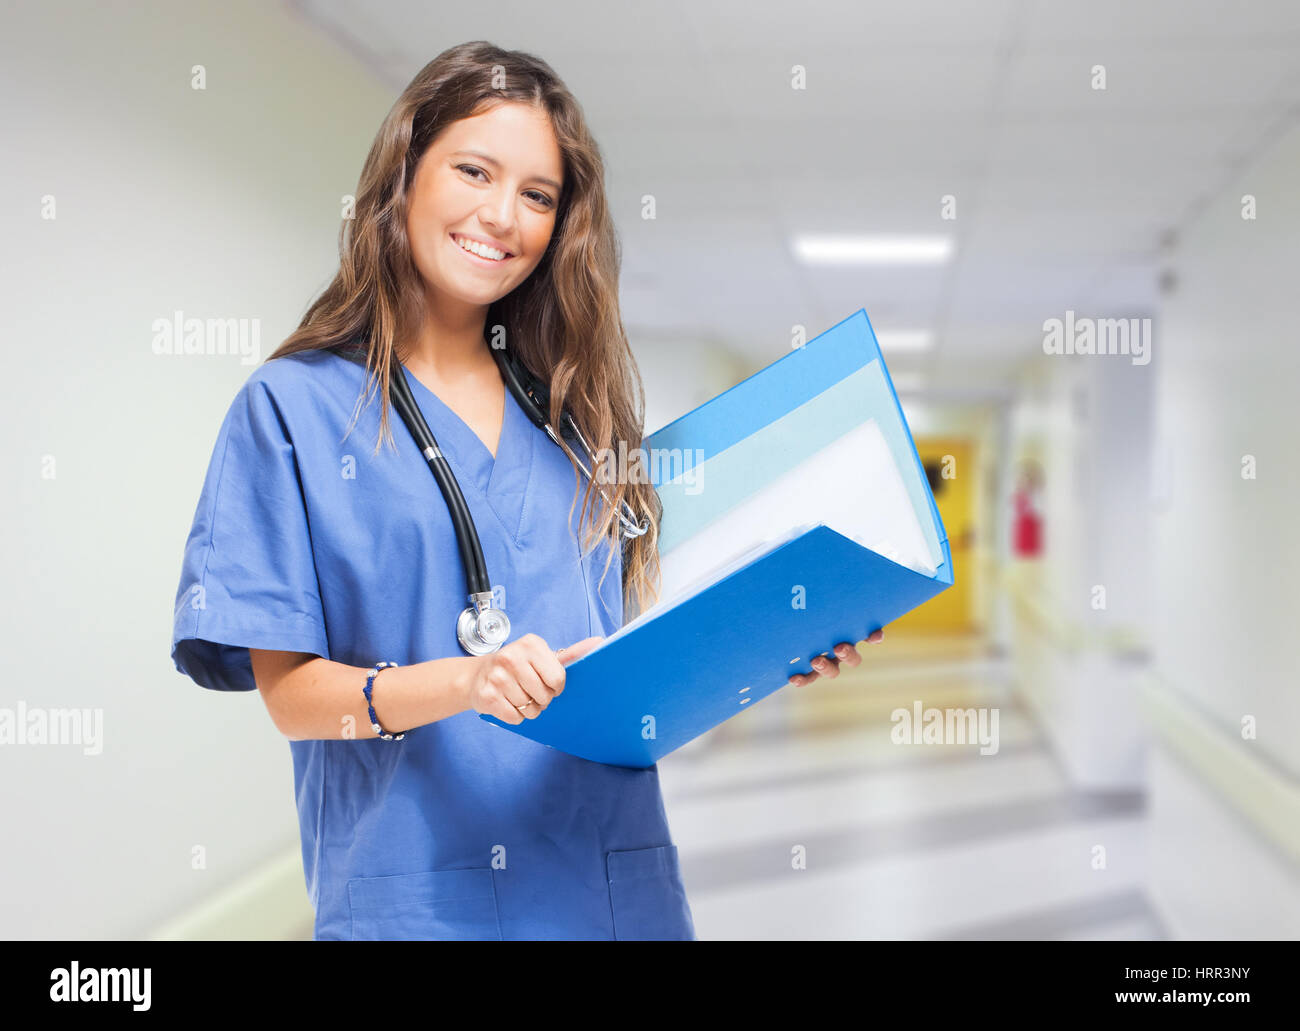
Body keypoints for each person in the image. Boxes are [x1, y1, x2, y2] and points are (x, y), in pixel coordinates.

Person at [170, 40, 879, 942]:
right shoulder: (291, 410)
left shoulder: (577, 419)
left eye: (538, 195)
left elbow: (627, 669)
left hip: (617, 892)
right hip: (419, 899)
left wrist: (770, 641)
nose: (502, 216)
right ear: (404, 175)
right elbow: (293, 696)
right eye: (474, 170)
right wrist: (468, 680)